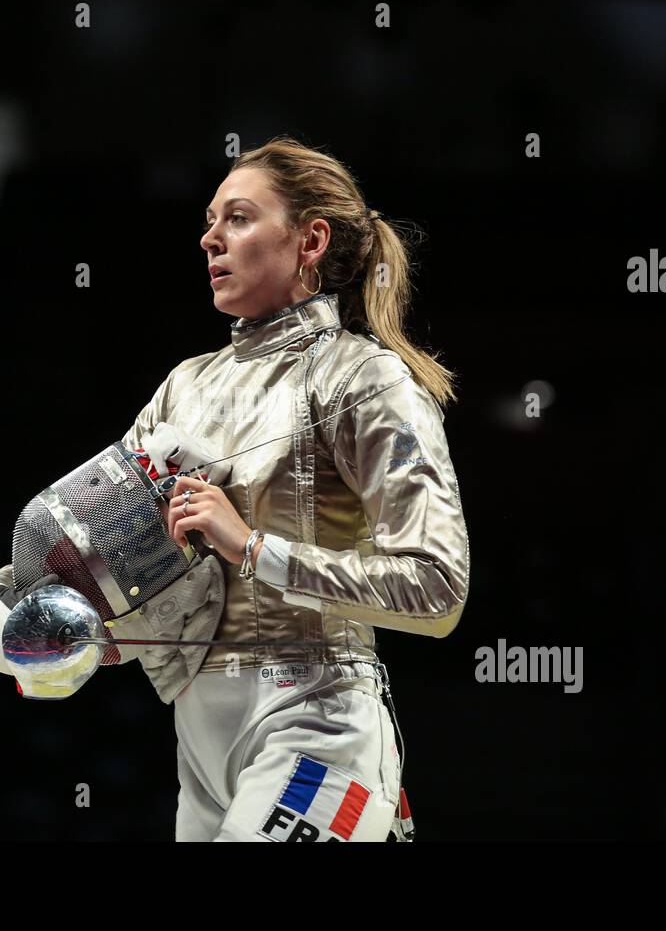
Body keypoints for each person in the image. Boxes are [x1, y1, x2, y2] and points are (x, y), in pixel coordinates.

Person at [109, 136, 472, 841]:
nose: (210, 237)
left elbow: (437, 588)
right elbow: (117, 551)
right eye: (211, 219)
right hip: (200, 738)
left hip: (319, 722)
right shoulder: (184, 386)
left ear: (309, 240)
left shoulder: (364, 380)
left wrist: (251, 549)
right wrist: (66, 623)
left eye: (238, 218)